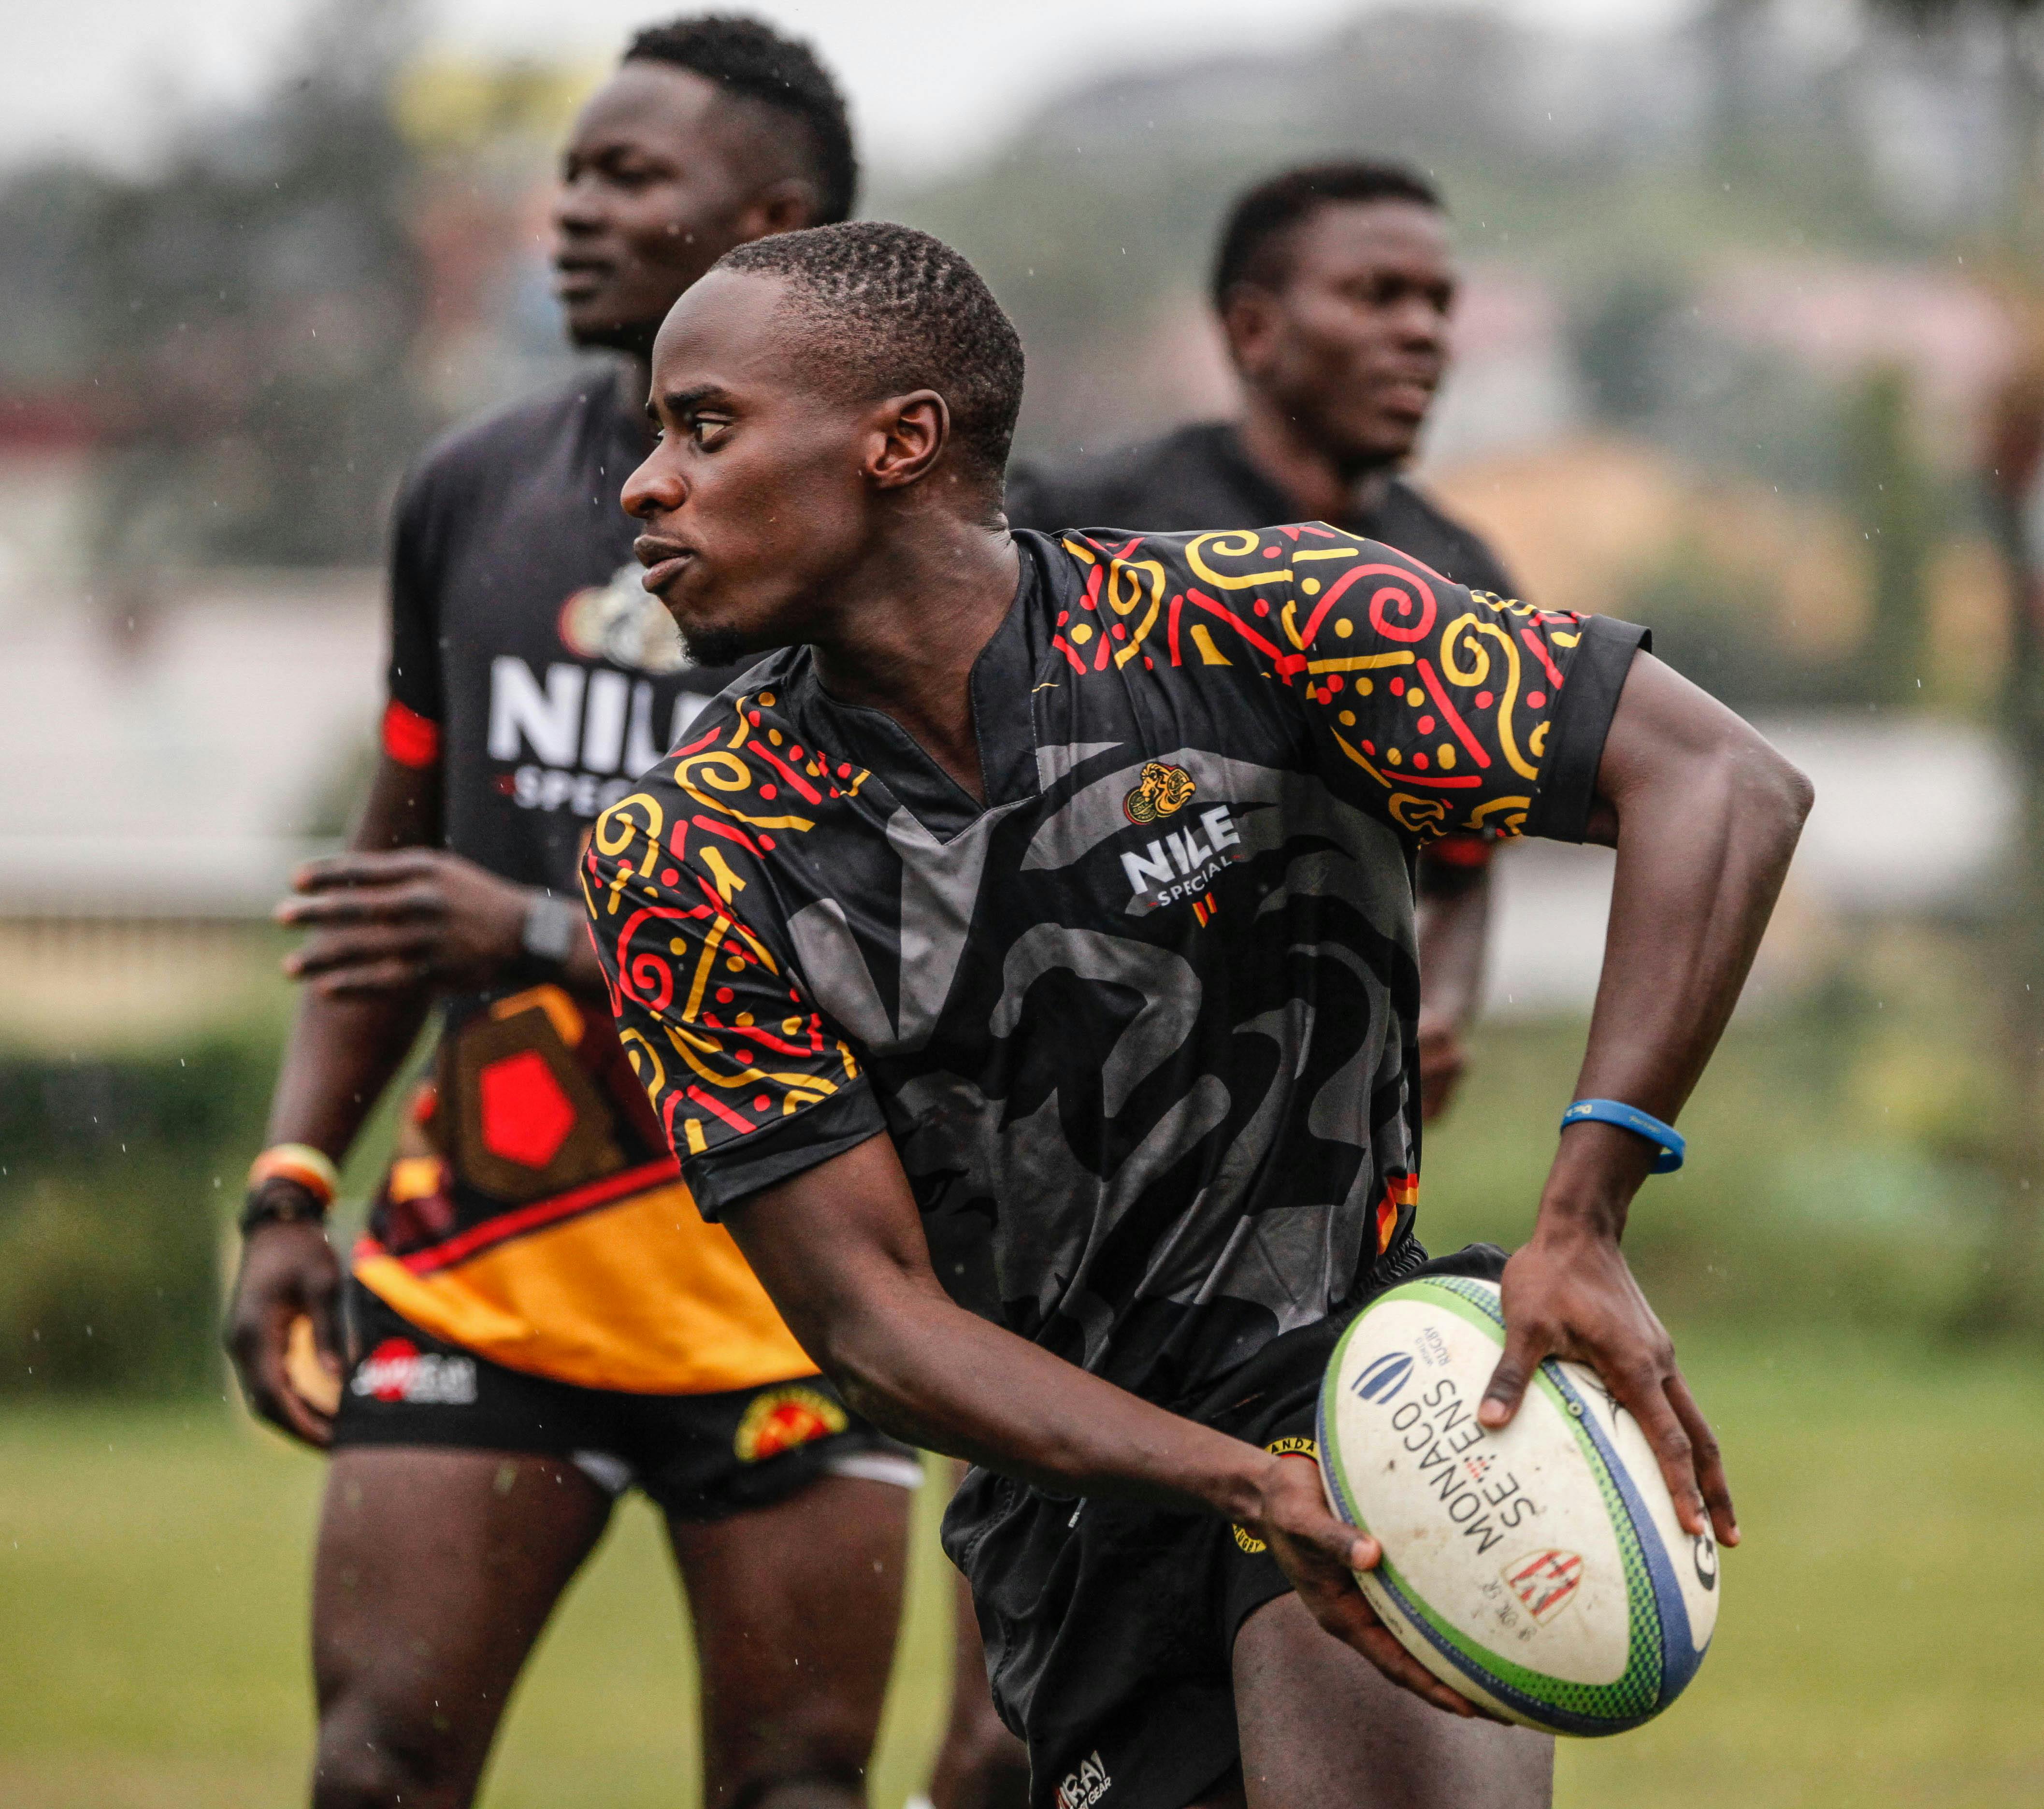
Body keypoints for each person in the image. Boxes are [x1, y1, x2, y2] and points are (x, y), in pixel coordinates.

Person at [583, 220, 1810, 1809]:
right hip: (1078, 1527)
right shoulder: (691, 850)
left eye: (705, 425)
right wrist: (1237, 1483)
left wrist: (1585, 1213)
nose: (644, 483)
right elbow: (873, 1327)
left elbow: (1720, 780)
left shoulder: (1259, 619)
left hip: (1366, 1393)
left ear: (901, 440)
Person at [223, 23, 923, 1809]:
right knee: (376, 1772)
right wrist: (292, 1184)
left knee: (798, 1792)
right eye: (575, 171)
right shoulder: (472, 491)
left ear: (766, 224)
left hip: (800, 1284)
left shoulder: (894, 537)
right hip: (488, 1263)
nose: (574, 209)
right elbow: (395, 894)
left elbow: (904, 954)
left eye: (630, 177)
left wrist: (529, 933)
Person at [1008, 162, 1516, 1125]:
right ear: (1253, 330)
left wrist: (1438, 1010)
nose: (1424, 332)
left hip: (1312, 1142)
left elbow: (1468, 859)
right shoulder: (1078, 528)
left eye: (1439, 303)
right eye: (1378, 295)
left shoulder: (1456, 580)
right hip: (1060, 1110)